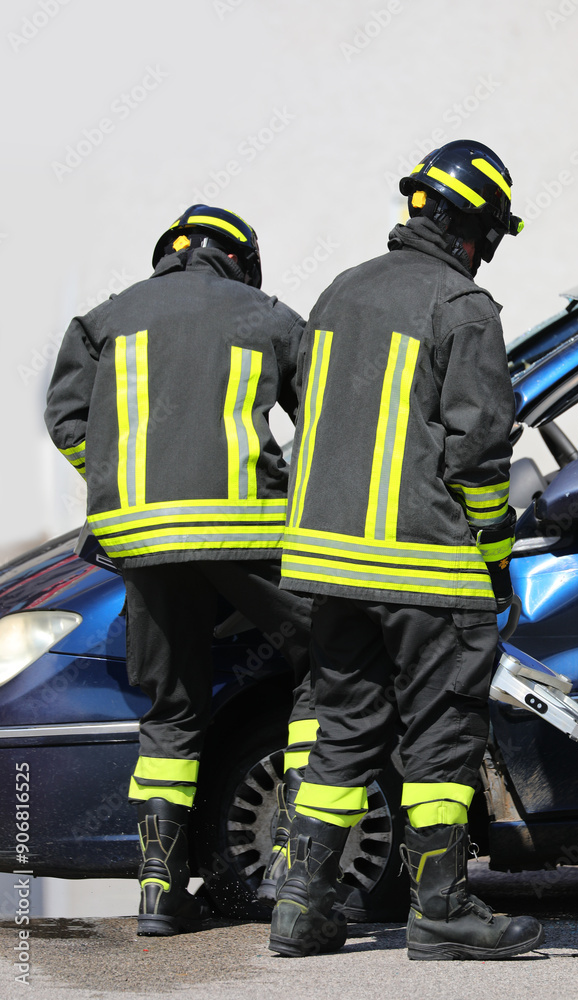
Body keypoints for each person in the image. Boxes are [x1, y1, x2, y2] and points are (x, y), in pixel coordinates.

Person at [268, 140, 545, 960]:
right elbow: (479, 453)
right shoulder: (463, 307)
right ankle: (441, 909)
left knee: (342, 732)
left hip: (327, 569)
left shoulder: (336, 295)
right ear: (476, 229)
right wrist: (493, 560)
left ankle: (302, 909)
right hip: (425, 568)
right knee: (441, 735)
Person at [44, 205, 315, 936]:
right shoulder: (270, 315)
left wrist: (120, 481)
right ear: (240, 259)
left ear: (169, 254)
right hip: (246, 538)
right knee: (330, 667)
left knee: (171, 712)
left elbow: (66, 418)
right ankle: (306, 875)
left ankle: (159, 892)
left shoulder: (103, 320)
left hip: (141, 542)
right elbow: (321, 424)